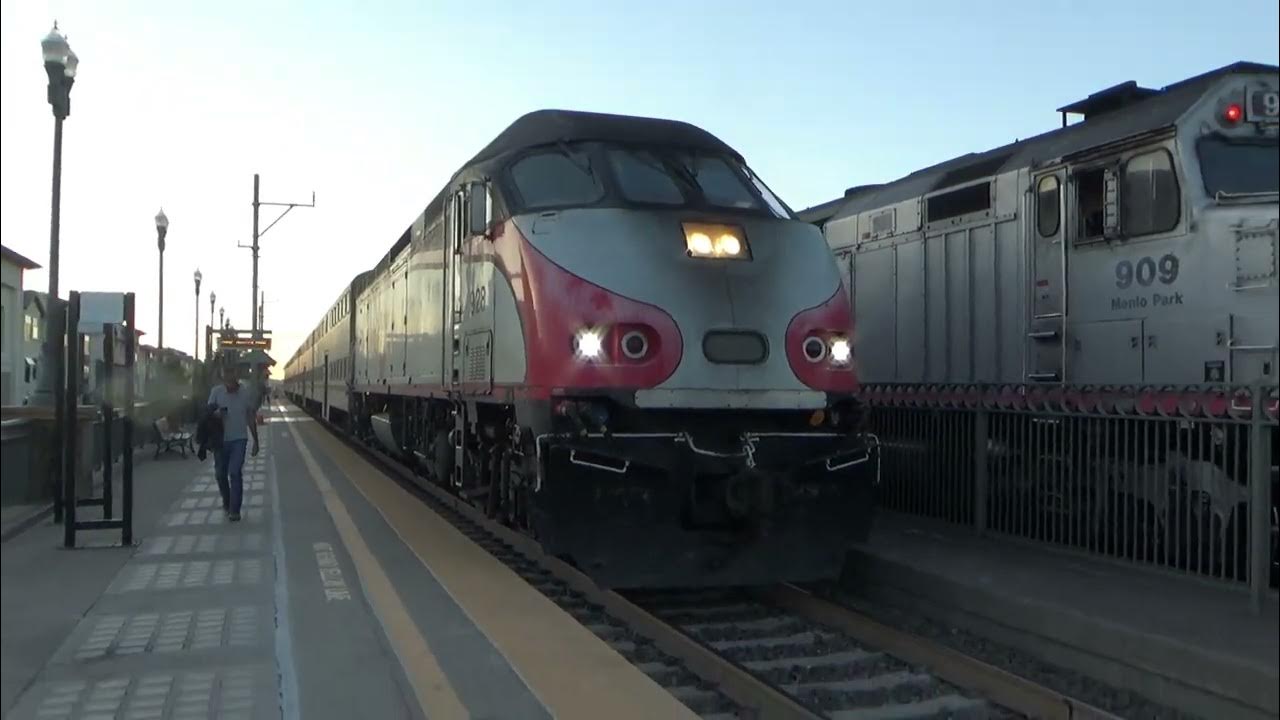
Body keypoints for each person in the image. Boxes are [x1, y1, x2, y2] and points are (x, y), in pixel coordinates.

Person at [206, 363, 259, 521]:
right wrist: (215, 414)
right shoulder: (216, 392)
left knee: (235, 472)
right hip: (220, 440)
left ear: (236, 375)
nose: (229, 376)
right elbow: (207, 414)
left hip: (239, 439)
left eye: (232, 373)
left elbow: (250, 416)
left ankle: (235, 510)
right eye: (226, 373)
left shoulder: (245, 393)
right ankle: (227, 501)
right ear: (223, 376)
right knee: (220, 474)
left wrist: (256, 440)